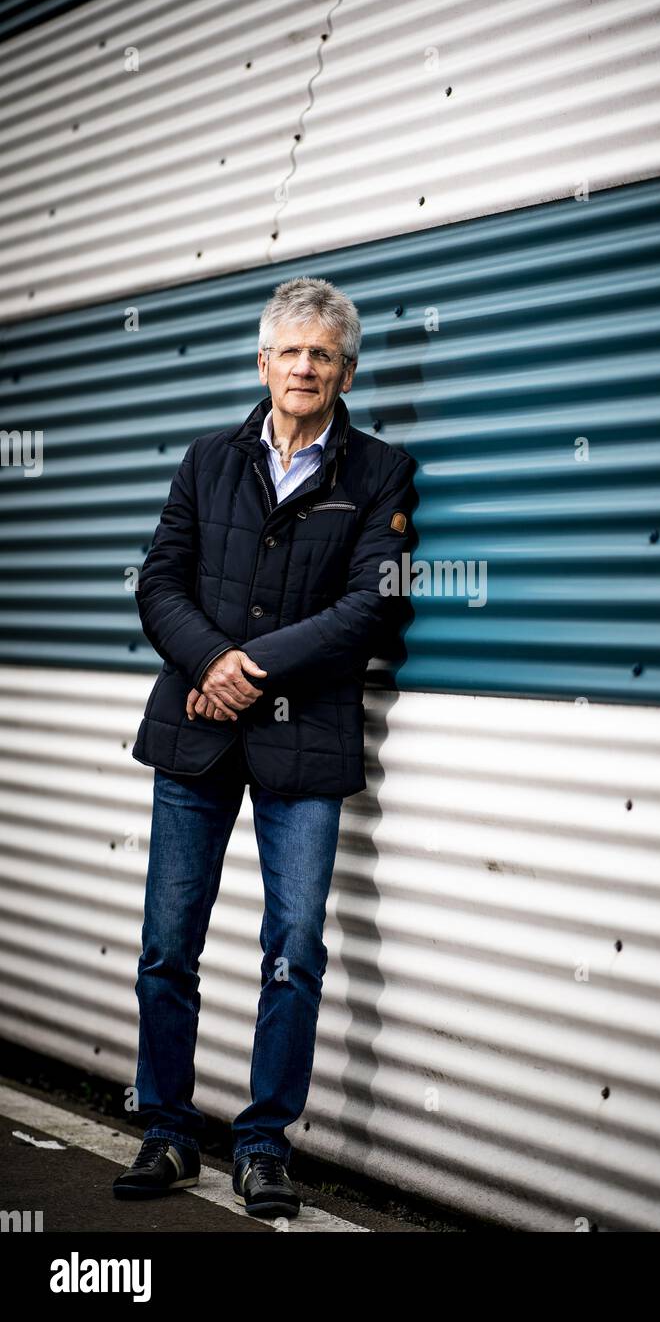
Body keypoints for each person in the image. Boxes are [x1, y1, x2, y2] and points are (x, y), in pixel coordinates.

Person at [112, 277, 415, 1218]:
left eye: (323, 354)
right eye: (290, 350)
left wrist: (249, 665)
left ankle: (262, 1143)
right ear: (263, 362)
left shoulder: (383, 474)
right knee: (168, 944)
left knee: (295, 947)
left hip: (304, 742)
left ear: (347, 371)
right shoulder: (207, 461)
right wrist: (212, 660)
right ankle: (165, 1133)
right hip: (197, 729)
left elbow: (378, 603)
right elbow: (158, 582)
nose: (305, 367)